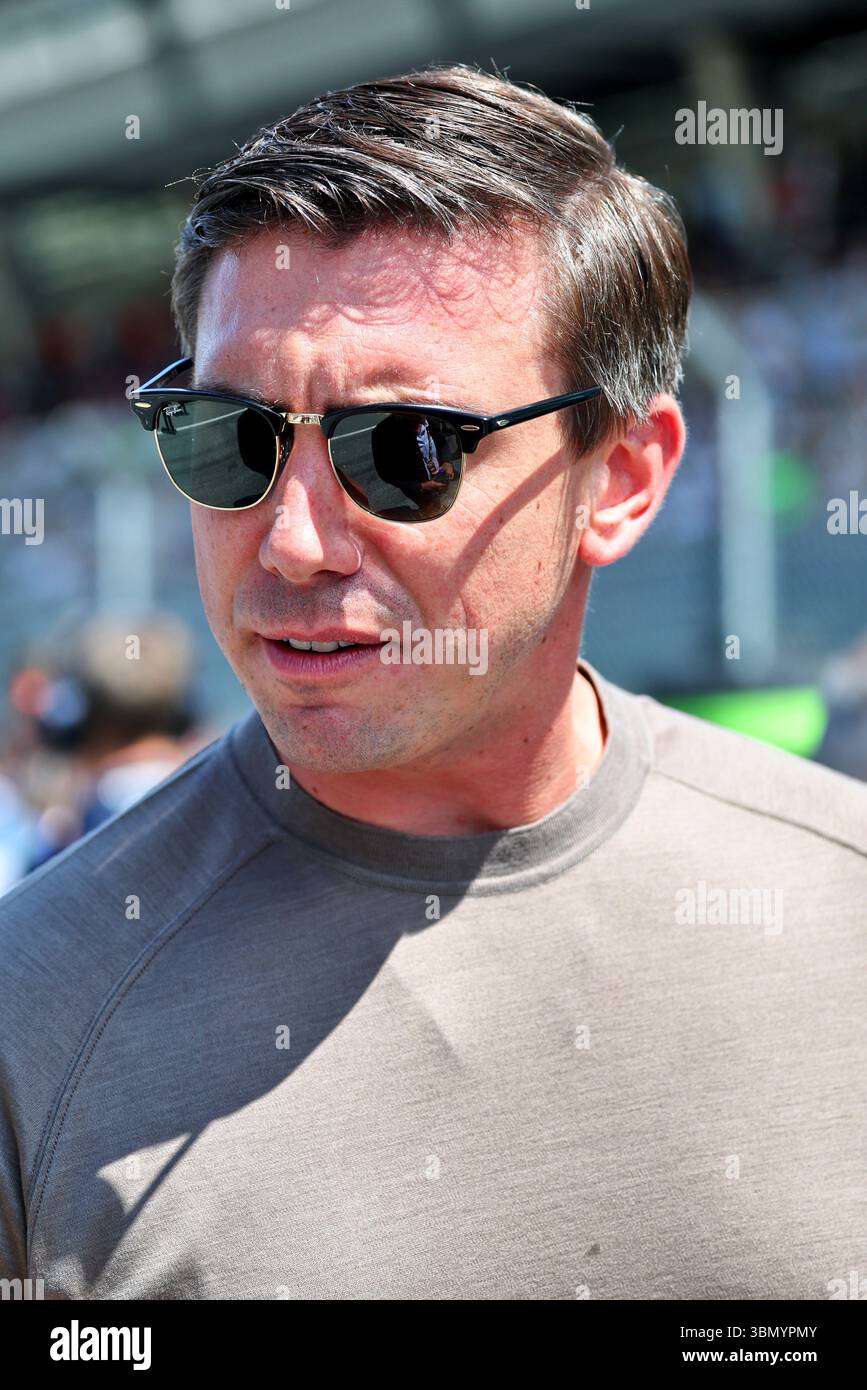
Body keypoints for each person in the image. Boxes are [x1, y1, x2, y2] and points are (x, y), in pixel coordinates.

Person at [1, 63, 864, 1302]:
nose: (294, 540)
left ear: (619, 478)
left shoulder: (843, 895)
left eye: (405, 449)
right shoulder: (32, 1014)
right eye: (227, 438)